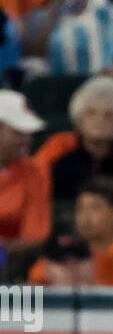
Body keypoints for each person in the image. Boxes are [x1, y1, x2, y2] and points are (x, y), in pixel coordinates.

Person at [32, 76, 113, 227]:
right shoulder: (58, 147)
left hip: (110, 233)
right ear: (79, 118)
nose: (100, 120)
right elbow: (36, 184)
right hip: (59, 224)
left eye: (109, 115)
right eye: (91, 113)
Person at [27, 179, 113, 287]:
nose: (86, 216)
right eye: (80, 208)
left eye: (95, 208)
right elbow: (35, 285)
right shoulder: (63, 252)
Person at [0, 90, 51, 263]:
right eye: (18, 132)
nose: (27, 140)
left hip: (13, 270)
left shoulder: (34, 173)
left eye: (28, 133)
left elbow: (35, 236)